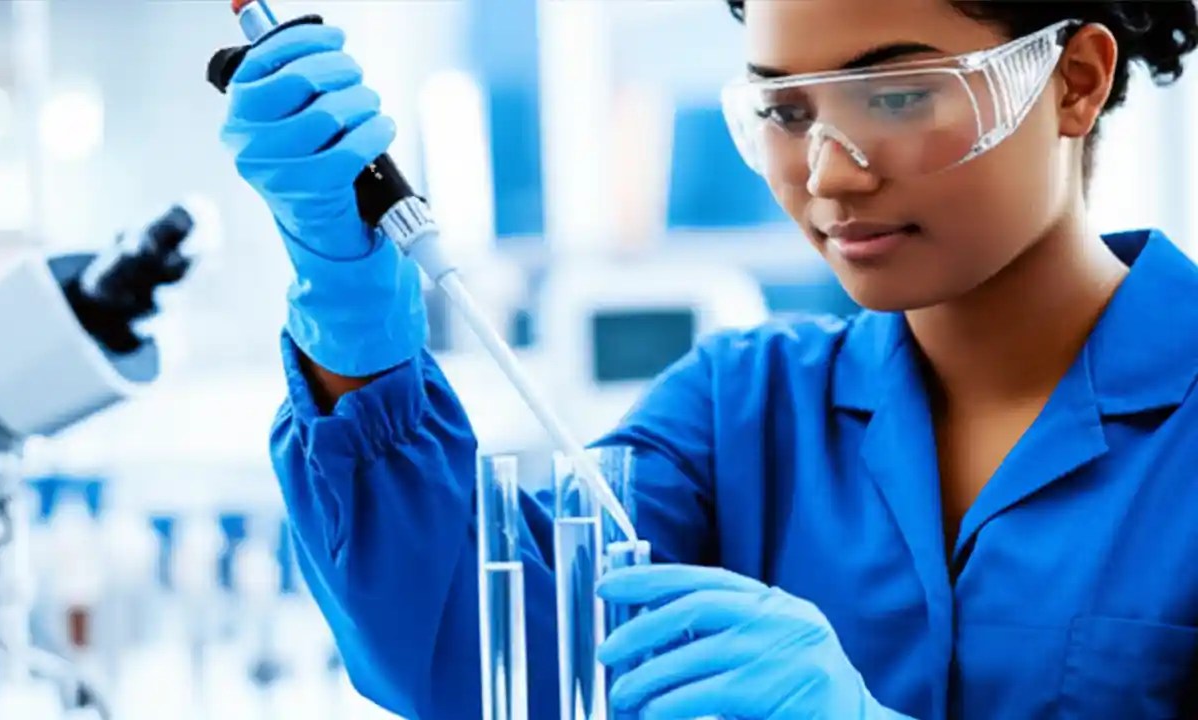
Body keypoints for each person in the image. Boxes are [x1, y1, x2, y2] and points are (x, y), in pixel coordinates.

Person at [219, 1, 1198, 717]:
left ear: (1073, 81)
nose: (828, 173)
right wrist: (350, 306)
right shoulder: (741, 411)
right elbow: (469, 649)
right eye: (785, 112)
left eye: (897, 94)